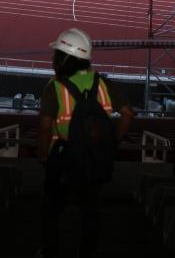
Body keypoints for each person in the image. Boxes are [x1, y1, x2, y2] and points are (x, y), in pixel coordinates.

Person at [37, 28, 134, 258]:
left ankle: (50, 251)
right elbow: (128, 114)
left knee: (50, 210)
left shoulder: (55, 87)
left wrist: (42, 155)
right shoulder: (103, 84)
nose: (53, 59)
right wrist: (113, 142)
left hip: (62, 157)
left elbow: (44, 127)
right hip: (92, 156)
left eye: (57, 55)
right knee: (91, 212)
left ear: (66, 59)